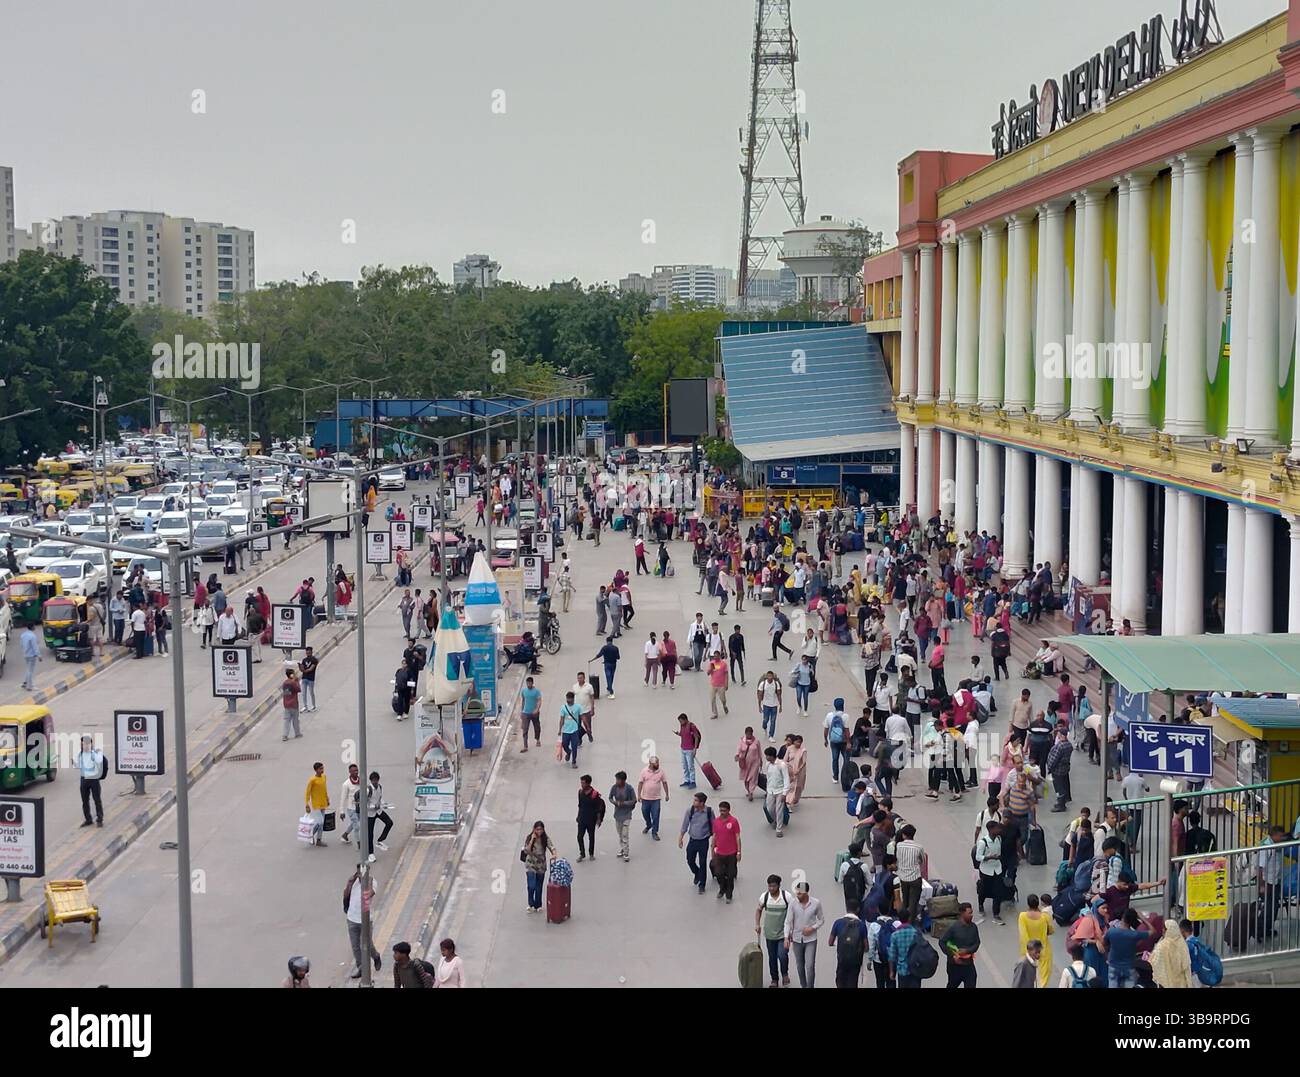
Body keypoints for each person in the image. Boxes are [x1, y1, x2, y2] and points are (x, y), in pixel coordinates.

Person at [754, 874, 793, 988]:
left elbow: (793, 913)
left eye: (773, 886)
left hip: (783, 934)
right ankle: (774, 979)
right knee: (772, 958)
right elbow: (758, 910)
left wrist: (792, 931)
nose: (771, 889)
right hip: (769, 934)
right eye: (769, 886)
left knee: (782, 955)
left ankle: (785, 973)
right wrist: (757, 924)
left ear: (779, 886)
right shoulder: (765, 897)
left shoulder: (787, 897)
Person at [342, 866, 381, 979]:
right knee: (355, 947)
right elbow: (346, 895)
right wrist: (349, 884)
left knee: (366, 944)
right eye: (359, 871)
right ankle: (361, 968)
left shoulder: (372, 881)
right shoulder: (353, 882)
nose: (360, 874)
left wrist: (366, 882)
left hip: (365, 920)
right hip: (352, 918)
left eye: (363, 871)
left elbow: (368, 895)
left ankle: (376, 956)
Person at [678, 791, 714, 893]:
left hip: (704, 841)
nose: (693, 802)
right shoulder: (690, 811)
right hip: (693, 840)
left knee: (702, 863)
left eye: (696, 800)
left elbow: (714, 825)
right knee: (690, 860)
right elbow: (685, 824)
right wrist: (681, 837)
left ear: (702, 803)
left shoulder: (709, 812)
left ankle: (702, 885)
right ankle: (697, 873)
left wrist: (715, 840)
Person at [1104, 908, 1151, 988]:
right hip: (1129, 968)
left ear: (1122, 918)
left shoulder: (1111, 932)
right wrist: (1142, 918)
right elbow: (1153, 931)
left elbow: (1104, 944)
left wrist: (1107, 957)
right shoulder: (1135, 935)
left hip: (1113, 966)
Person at [940, 902, 981, 988]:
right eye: (969, 913)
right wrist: (952, 956)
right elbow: (942, 942)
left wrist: (967, 950)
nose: (972, 915)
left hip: (969, 965)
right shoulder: (953, 928)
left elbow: (977, 943)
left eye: (972, 912)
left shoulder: (973, 927)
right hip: (954, 967)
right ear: (962, 914)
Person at [1018, 893, 1055, 987]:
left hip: (1029, 950)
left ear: (1028, 904)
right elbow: (1051, 931)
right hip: (1043, 949)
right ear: (1038, 904)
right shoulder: (1044, 917)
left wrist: (1028, 950)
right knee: (1043, 977)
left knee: (1029, 976)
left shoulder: (1022, 916)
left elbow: (1023, 935)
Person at [974, 819, 1006, 925]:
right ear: (991, 830)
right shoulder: (983, 842)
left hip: (997, 869)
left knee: (998, 891)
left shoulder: (999, 839)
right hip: (986, 871)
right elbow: (978, 857)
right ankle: (980, 904)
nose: (999, 830)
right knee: (984, 889)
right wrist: (988, 857)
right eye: (997, 828)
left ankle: (996, 913)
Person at [521, 821, 556, 914]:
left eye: (541, 829)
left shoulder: (545, 838)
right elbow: (527, 850)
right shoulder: (529, 838)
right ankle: (530, 903)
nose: (539, 831)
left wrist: (554, 854)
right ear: (534, 829)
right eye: (537, 829)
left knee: (539, 886)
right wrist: (532, 839)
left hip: (541, 865)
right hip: (531, 864)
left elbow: (551, 846)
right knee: (531, 885)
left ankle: (538, 905)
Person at [710, 799, 742, 903]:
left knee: (730, 875)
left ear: (729, 810)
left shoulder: (733, 821)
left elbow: (737, 837)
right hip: (719, 853)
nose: (722, 813)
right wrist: (712, 851)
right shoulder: (716, 821)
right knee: (718, 873)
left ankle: (729, 895)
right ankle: (722, 888)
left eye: (724, 810)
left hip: (731, 853)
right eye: (720, 811)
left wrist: (738, 852)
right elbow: (714, 837)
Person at [1150, 916, 1194, 988]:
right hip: (1181, 983)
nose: (1163, 931)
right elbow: (1187, 966)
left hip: (1167, 982)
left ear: (1167, 930)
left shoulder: (1162, 945)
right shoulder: (1183, 944)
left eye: (1164, 929)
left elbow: (1155, 963)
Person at [895, 824, 925, 921]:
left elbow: (897, 859)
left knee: (905, 901)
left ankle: (902, 920)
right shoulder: (918, 847)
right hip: (915, 878)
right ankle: (910, 922)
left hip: (903, 878)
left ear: (903, 835)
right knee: (913, 903)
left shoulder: (899, 845)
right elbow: (922, 861)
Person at [637, 755, 670, 840]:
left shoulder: (661, 772)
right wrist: (639, 795)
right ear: (651, 764)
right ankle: (648, 825)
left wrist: (667, 794)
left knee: (656, 816)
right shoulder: (644, 771)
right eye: (656, 763)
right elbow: (640, 783)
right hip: (645, 798)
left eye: (658, 762)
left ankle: (654, 832)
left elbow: (664, 783)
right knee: (645, 813)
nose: (658, 764)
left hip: (656, 799)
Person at [888, 908, 921, 988]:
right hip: (915, 969)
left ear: (899, 919)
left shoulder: (895, 935)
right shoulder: (916, 933)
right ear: (909, 918)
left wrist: (892, 971)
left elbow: (892, 956)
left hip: (902, 970)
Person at [608, 770, 637, 862]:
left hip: (627, 814)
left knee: (625, 834)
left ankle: (626, 853)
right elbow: (610, 798)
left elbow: (634, 800)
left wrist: (624, 803)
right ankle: (622, 848)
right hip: (617, 814)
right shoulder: (614, 787)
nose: (616, 781)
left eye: (618, 780)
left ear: (623, 780)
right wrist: (615, 802)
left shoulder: (629, 788)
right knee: (620, 833)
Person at [77, 735, 105, 829]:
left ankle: (99, 819)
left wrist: (92, 752)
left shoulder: (94, 753)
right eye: (82, 744)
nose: (84, 746)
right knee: (85, 801)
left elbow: (99, 760)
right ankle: (88, 819)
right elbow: (77, 765)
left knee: (97, 800)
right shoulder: (79, 754)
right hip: (83, 779)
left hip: (94, 780)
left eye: (86, 744)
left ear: (90, 744)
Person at [576, 773, 605, 862]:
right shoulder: (580, 792)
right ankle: (582, 853)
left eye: (583, 783)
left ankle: (591, 853)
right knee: (579, 837)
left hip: (591, 820)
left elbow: (599, 808)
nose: (582, 785)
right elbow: (580, 805)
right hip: (582, 819)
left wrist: (599, 819)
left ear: (588, 784)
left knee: (591, 837)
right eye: (581, 783)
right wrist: (578, 816)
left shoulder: (594, 794)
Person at [365, 771, 393, 860]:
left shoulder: (380, 787)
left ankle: (380, 840)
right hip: (370, 813)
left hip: (379, 811)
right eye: (373, 780)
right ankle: (370, 853)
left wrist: (384, 804)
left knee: (389, 823)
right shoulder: (368, 790)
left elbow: (380, 798)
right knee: (370, 834)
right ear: (371, 780)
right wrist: (373, 806)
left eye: (376, 780)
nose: (375, 782)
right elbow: (364, 804)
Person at [763, 746, 789, 837]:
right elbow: (769, 778)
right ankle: (776, 820)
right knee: (770, 808)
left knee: (779, 810)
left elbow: (786, 779)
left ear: (772, 756)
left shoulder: (782, 765)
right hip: (770, 790)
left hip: (780, 790)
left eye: (767, 756)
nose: (766, 757)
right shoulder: (768, 765)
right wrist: (767, 790)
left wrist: (785, 793)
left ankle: (779, 829)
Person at [304, 761, 331, 847]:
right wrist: (307, 804)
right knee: (320, 822)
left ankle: (319, 840)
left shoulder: (324, 777)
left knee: (321, 823)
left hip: (323, 802)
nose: (322, 770)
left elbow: (324, 789)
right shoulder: (312, 780)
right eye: (320, 769)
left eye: (322, 768)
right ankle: (310, 834)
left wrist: (327, 798)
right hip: (316, 804)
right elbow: (307, 792)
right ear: (316, 770)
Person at [823, 697, 849, 784]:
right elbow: (846, 730)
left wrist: (825, 739)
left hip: (833, 741)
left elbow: (826, 729)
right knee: (846, 759)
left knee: (835, 759)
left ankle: (835, 777)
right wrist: (849, 742)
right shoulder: (845, 716)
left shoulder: (829, 715)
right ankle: (845, 775)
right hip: (844, 741)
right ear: (843, 706)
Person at [1046, 725, 1073, 811]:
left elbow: (1054, 759)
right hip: (1064, 769)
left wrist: (1049, 768)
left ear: (1061, 734)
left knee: (1058, 787)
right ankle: (1064, 801)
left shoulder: (1059, 746)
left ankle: (1060, 805)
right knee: (1064, 785)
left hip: (1057, 770)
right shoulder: (1069, 745)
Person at [676, 712, 702, 788]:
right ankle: (687, 780)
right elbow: (682, 734)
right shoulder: (682, 725)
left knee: (691, 766)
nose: (680, 723)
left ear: (685, 720)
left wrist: (695, 749)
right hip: (683, 748)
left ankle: (693, 781)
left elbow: (696, 737)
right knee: (685, 765)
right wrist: (678, 734)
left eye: (681, 721)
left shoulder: (691, 726)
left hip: (690, 749)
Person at [338, 763, 362, 846]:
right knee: (357, 826)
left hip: (360, 808)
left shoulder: (361, 780)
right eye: (354, 771)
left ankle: (345, 835)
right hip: (351, 808)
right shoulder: (346, 784)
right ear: (350, 772)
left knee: (354, 823)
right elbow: (343, 798)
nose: (356, 772)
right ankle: (359, 844)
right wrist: (341, 811)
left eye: (357, 770)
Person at [736, 726, 763, 801]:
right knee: (746, 778)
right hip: (745, 763)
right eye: (747, 734)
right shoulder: (742, 741)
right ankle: (748, 790)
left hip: (755, 762)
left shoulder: (756, 741)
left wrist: (761, 760)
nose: (749, 735)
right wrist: (737, 755)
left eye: (750, 734)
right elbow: (739, 749)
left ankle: (751, 792)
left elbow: (759, 751)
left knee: (753, 778)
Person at [558, 691, 583, 768]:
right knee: (564, 744)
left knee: (574, 746)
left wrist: (583, 726)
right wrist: (560, 729)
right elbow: (561, 719)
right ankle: (568, 752)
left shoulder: (578, 707)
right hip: (566, 730)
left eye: (570, 698)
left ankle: (574, 761)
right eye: (567, 698)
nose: (568, 700)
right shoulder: (563, 708)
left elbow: (581, 717)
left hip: (575, 730)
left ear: (573, 699)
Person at [756, 669, 782, 740]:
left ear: (773, 677)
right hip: (766, 704)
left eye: (771, 676)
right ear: (767, 677)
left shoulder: (776, 684)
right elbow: (760, 695)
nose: (770, 677)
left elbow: (779, 694)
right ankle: (764, 726)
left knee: (773, 721)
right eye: (769, 676)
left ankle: (771, 735)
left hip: (774, 705)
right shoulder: (763, 684)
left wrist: (780, 705)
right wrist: (759, 706)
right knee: (766, 719)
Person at [571, 671, 596, 743]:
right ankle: (579, 739)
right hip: (577, 710)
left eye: (581, 678)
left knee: (588, 725)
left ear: (584, 678)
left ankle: (589, 733)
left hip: (586, 710)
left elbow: (592, 697)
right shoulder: (574, 686)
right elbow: (572, 697)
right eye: (578, 678)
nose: (579, 679)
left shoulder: (589, 687)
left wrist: (592, 708)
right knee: (577, 726)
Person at [518, 676, 542, 752]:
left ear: (532, 683)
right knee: (525, 729)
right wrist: (522, 711)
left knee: (537, 727)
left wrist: (537, 709)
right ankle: (525, 746)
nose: (528, 684)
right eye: (527, 683)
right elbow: (523, 701)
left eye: (530, 683)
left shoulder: (536, 691)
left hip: (534, 713)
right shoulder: (524, 691)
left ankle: (537, 739)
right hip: (526, 713)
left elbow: (539, 701)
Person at [707, 651, 730, 719]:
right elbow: (708, 673)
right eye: (714, 656)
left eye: (717, 656)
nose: (715, 657)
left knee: (722, 699)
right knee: (712, 699)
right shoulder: (712, 663)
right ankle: (715, 713)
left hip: (721, 685)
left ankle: (724, 705)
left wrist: (726, 684)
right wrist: (711, 669)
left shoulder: (723, 664)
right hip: (713, 684)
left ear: (719, 656)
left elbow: (726, 674)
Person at [281, 665, 302, 741]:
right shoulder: (293, 683)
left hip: (286, 704)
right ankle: (297, 733)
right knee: (295, 720)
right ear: (291, 675)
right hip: (293, 704)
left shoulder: (284, 683)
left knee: (287, 720)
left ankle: (285, 735)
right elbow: (299, 689)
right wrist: (297, 681)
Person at [299, 647, 320, 713]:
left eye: (309, 652)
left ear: (311, 652)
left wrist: (304, 670)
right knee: (304, 693)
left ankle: (313, 705)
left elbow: (311, 668)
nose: (308, 653)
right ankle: (305, 706)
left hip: (311, 678)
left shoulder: (314, 660)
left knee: (311, 692)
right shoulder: (304, 660)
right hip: (304, 678)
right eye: (307, 652)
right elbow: (302, 668)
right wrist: (300, 667)